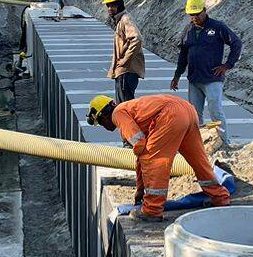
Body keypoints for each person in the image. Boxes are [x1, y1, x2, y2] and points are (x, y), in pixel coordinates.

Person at [88, 93, 230, 220]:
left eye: (100, 123)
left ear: (103, 115)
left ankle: (152, 210)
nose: (104, 126)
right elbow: (141, 156)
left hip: (170, 115)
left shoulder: (118, 114)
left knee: (156, 161)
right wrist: (140, 190)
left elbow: (141, 147)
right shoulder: (131, 108)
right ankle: (220, 197)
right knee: (198, 160)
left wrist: (141, 192)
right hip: (187, 110)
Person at [170, 0, 241, 148]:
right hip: (194, 79)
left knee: (215, 111)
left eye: (197, 14)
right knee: (195, 115)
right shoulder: (188, 30)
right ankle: (198, 145)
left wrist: (227, 65)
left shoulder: (217, 27)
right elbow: (183, 54)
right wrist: (177, 75)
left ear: (204, 10)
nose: (195, 17)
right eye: (192, 15)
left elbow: (236, 43)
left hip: (212, 78)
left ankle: (224, 142)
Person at [102, 0, 144, 101]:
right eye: (108, 5)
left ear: (120, 5)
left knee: (124, 108)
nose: (110, 8)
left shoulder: (125, 20)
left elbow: (137, 39)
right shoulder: (120, 21)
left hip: (127, 72)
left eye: (113, 5)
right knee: (123, 106)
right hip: (124, 72)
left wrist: (125, 59)